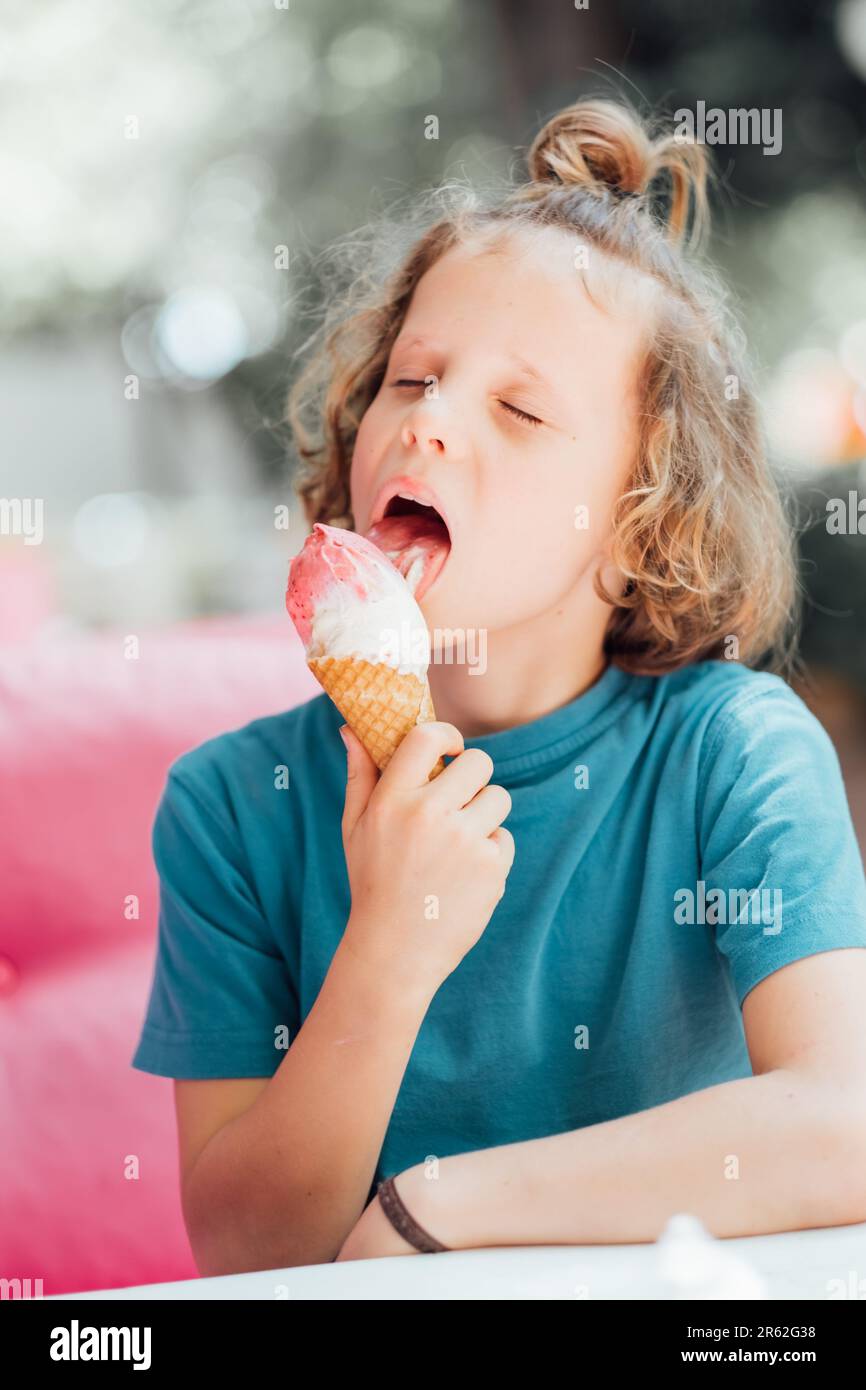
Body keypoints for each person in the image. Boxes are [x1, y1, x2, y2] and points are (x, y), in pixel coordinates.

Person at [131, 97, 866, 1274]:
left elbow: (843, 1126)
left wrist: (438, 1205)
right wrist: (391, 945)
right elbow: (244, 1252)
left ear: (638, 528)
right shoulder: (232, 807)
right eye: (411, 379)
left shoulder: (731, 754)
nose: (428, 427)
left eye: (518, 410)